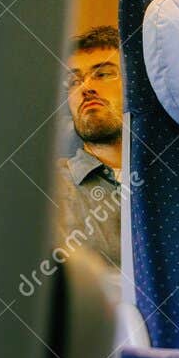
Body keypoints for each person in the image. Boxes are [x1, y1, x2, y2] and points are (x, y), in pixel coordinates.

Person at [56, 25, 125, 270]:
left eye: (103, 74)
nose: (85, 88)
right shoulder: (49, 188)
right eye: (74, 81)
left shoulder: (176, 179)